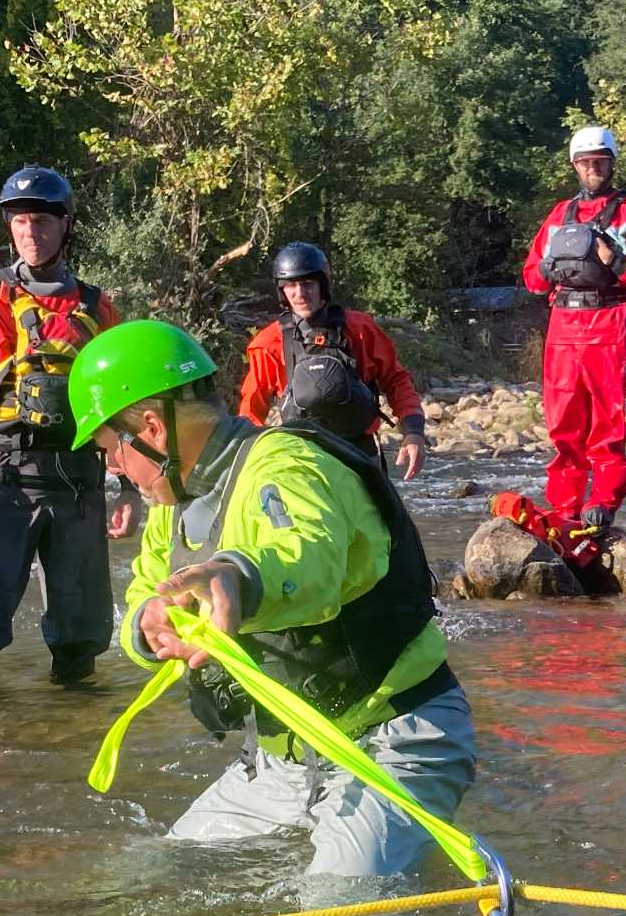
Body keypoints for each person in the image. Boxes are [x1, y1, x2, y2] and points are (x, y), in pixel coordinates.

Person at [68, 320, 476, 877]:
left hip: (393, 742)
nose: (112, 466)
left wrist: (239, 577)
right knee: (151, 880)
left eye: (109, 449)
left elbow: (306, 554)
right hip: (280, 765)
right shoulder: (171, 506)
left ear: (151, 429)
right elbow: (143, 587)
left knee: (341, 914)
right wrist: (147, 622)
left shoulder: (289, 465)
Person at [0, 165, 129, 688]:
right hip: (2, 477)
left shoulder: (99, 310)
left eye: (40, 220)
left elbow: (125, 406)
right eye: (19, 221)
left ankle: (70, 742)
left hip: (80, 480)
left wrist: (129, 485)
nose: (29, 232)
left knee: (82, 635)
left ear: (66, 226)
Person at [518, 125, 626, 550]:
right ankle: (565, 509)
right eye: (585, 162)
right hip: (564, 322)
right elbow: (532, 278)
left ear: (611, 163)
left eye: (600, 160)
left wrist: (616, 259)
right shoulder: (559, 215)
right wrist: (547, 270)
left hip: (612, 317)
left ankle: (602, 501)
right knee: (563, 419)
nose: (593, 167)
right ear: (574, 167)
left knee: (606, 418)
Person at [232, 242, 428, 478]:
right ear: (282, 291)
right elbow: (251, 407)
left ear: (322, 286)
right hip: (300, 460)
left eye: (307, 284)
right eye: (291, 286)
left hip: (360, 455)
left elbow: (396, 380)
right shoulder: (267, 344)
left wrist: (414, 432)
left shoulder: (361, 329)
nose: (300, 294)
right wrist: (249, 454)